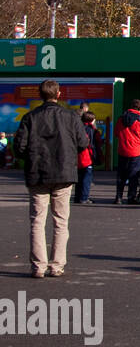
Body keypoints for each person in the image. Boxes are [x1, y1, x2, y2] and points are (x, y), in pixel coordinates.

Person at [15, 80, 89, 279]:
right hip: (64, 173)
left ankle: (38, 266)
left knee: (37, 221)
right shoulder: (70, 117)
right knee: (60, 221)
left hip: (38, 174)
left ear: (40, 95)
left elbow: (20, 148)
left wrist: (32, 157)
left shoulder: (29, 118)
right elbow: (83, 142)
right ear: (58, 94)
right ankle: (56, 265)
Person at [114, 99, 140, 203]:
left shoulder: (121, 118)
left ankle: (118, 197)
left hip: (122, 150)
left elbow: (116, 133)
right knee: (133, 175)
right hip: (136, 151)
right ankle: (131, 197)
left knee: (121, 175)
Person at [75, 111, 102, 204]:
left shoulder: (78, 128)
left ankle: (77, 197)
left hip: (77, 156)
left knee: (79, 178)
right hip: (87, 157)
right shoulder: (93, 130)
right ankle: (84, 197)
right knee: (87, 179)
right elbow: (97, 144)